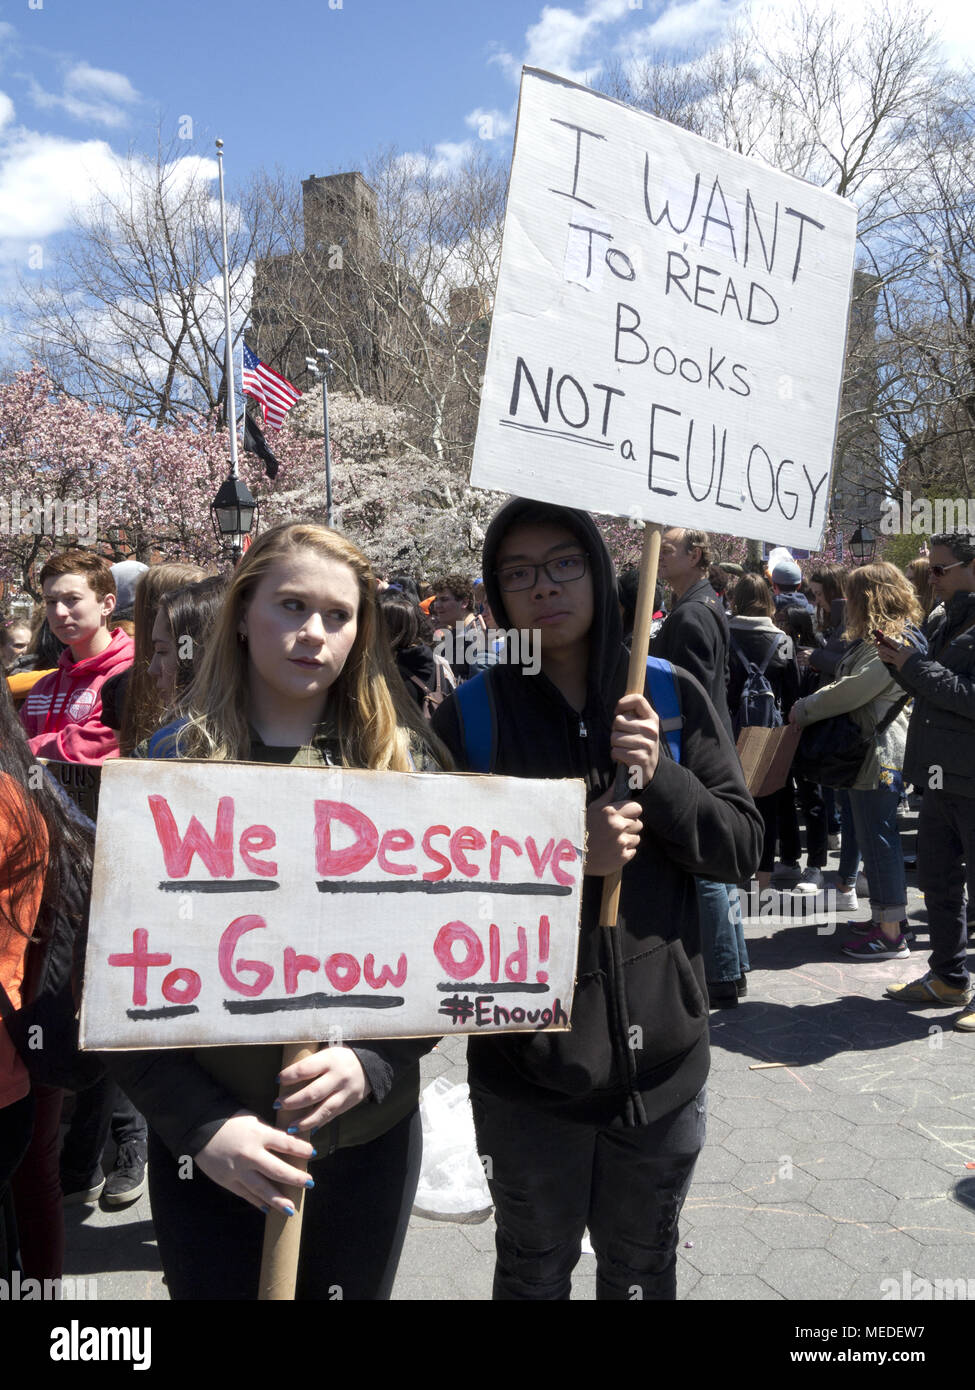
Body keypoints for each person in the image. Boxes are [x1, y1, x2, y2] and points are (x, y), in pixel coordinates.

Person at [431, 499, 762, 1299]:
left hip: (663, 1068)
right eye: (518, 573)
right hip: (526, 1071)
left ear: (596, 567)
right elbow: (431, 892)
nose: (543, 586)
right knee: (533, 1271)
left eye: (562, 563)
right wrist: (562, 856)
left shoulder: (666, 693)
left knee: (642, 1270)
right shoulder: (469, 715)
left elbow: (743, 848)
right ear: (496, 594)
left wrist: (665, 778)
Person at [108, 522, 448, 1300]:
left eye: (338, 614)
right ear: (240, 612)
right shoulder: (168, 765)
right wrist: (202, 1128)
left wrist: (375, 1063)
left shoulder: (407, 766)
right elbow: (115, 985)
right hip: (212, 1149)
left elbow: (449, 959)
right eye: (291, 605)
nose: (314, 633)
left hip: (366, 1140)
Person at [0, 676, 94, 1282]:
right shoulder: (23, 785)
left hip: (19, 1042)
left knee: (34, 1184)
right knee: (34, 1183)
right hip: (30, 1031)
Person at [789, 563, 923, 959]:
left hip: (877, 754)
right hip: (868, 752)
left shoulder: (893, 638)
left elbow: (853, 690)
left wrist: (805, 707)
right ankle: (887, 919)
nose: (844, 605)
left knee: (879, 842)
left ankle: (891, 933)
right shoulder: (882, 637)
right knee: (871, 837)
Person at [882, 532, 975, 1025]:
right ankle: (948, 978)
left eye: (939, 570)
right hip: (941, 778)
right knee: (938, 884)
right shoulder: (945, 620)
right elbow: (935, 687)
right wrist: (899, 665)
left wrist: (915, 666)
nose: (930, 579)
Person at [652, 527, 746, 1005]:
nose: (659, 556)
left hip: (695, 748)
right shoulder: (702, 604)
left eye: (667, 549)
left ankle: (723, 974)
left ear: (696, 555)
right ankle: (733, 967)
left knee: (706, 859)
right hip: (709, 743)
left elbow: (692, 695)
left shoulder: (691, 615)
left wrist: (684, 755)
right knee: (715, 859)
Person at [19, 550, 133, 764]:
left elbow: (99, 744)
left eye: (72, 599)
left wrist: (27, 750)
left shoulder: (131, 672)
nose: (60, 612)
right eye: (51, 601)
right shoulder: (43, 688)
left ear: (107, 604)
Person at [727, 573, 801, 900]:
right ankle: (763, 883)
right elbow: (794, 693)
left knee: (729, 802)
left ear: (736, 599)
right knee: (766, 806)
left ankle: (730, 875)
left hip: (728, 730)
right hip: (769, 732)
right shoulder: (783, 641)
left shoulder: (724, 635)